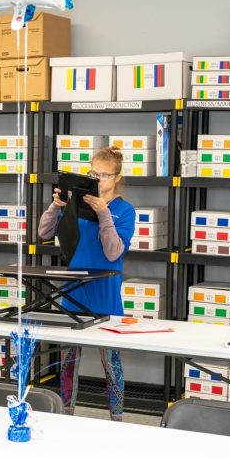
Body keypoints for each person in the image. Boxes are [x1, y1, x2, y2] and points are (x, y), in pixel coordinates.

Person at [38, 146, 135, 421]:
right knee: (68, 361)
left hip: (106, 295)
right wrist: (56, 207)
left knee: (112, 363)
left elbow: (113, 252)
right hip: (74, 293)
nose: (98, 180)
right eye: (94, 174)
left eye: (104, 175)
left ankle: (117, 420)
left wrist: (104, 213)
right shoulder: (76, 205)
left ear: (117, 177)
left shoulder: (125, 210)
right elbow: (44, 232)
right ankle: (66, 415)